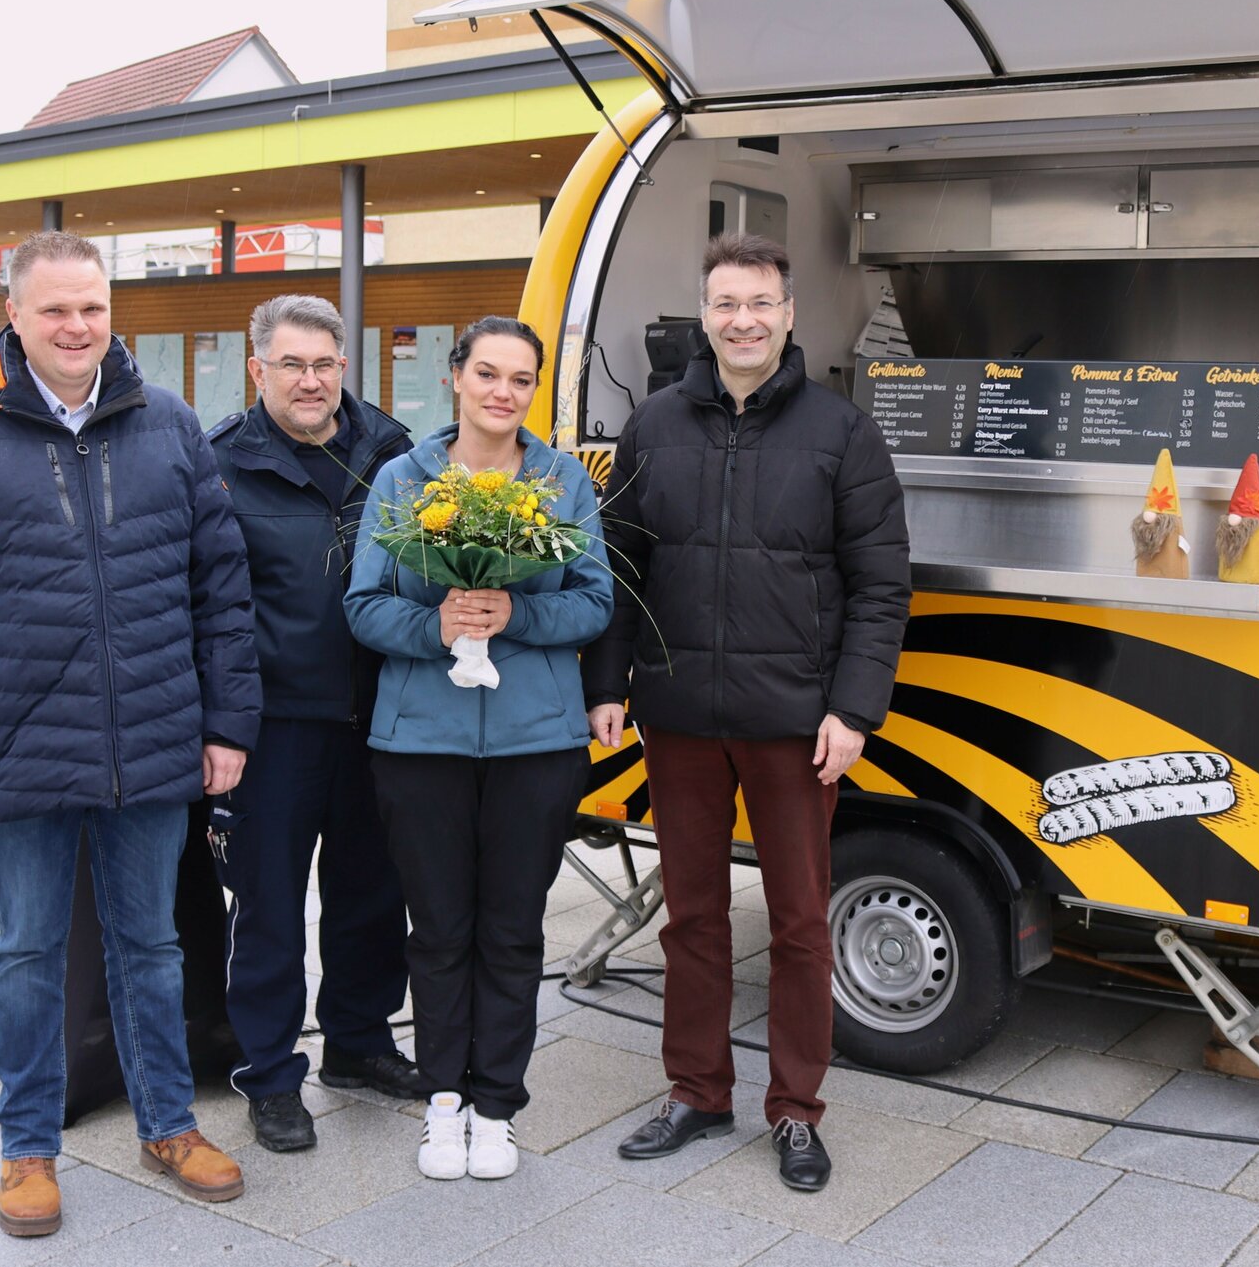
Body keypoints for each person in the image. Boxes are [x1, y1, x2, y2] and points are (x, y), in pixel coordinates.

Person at [0, 230, 262, 1236]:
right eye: (55, 310)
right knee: (29, 955)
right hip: (18, 746)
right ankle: (27, 1150)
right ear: (15, 315)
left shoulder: (169, 428)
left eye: (91, 306)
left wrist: (227, 726)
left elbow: (221, 593)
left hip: (153, 741)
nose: (76, 326)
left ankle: (168, 1124)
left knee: (153, 948)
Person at [586, 233, 911, 1193]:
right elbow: (620, 569)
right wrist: (608, 684)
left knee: (802, 923)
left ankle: (797, 1110)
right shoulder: (652, 426)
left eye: (760, 303)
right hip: (679, 715)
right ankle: (697, 1090)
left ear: (789, 314)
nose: (743, 320)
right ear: (705, 313)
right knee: (691, 918)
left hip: (795, 724)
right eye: (726, 303)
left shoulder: (842, 432)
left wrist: (853, 707)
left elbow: (882, 585)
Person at [343, 316, 612, 1182]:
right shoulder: (401, 477)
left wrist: (515, 614)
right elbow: (362, 605)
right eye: (487, 372)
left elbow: (595, 600)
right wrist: (437, 624)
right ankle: (442, 1103)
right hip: (422, 742)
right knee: (438, 930)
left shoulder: (564, 482)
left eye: (521, 379)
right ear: (456, 376)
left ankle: (497, 1103)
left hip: (536, 743)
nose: (503, 391)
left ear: (535, 390)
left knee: (511, 929)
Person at [205, 294, 426, 1154]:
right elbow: (208, 606)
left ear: (346, 366)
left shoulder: (394, 451)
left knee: (374, 894)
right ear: (258, 368)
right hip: (275, 724)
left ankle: (359, 1043)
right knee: (266, 907)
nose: (310, 380)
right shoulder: (220, 463)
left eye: (324, 363)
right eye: (291, 364)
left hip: (379, 715)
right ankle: (268, 1073)